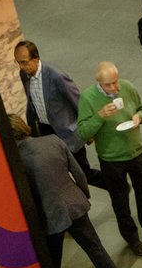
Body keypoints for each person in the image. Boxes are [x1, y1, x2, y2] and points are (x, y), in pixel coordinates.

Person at [8, 116, 125, 268]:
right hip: (74, 204)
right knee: (95, 247)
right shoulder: (53, 140)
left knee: (52, 259)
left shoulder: (17, 161)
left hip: (50, 215)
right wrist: (82, 196)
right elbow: (79, 174)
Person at [76, 61, 142, 257]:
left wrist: (138, 118)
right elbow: (83, 132)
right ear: (99, 83)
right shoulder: (87, 98)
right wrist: (100, 115)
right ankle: (132, 238)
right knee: (120, 201)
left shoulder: (127, 87)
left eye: (115, 82)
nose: (114, 88)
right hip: (111, 158)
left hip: (136, 152)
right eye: (108, 85)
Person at [14, 40, 91, 174]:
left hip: (67, 132)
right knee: (60, 171)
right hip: (46, 130)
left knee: (84, 173)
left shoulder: (56, 76)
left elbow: (78, 102)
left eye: (24, 62)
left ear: (36, 59)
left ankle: (113, 185)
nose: (21, 67)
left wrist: (87, 130)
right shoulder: (24, 75)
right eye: (18, 62)